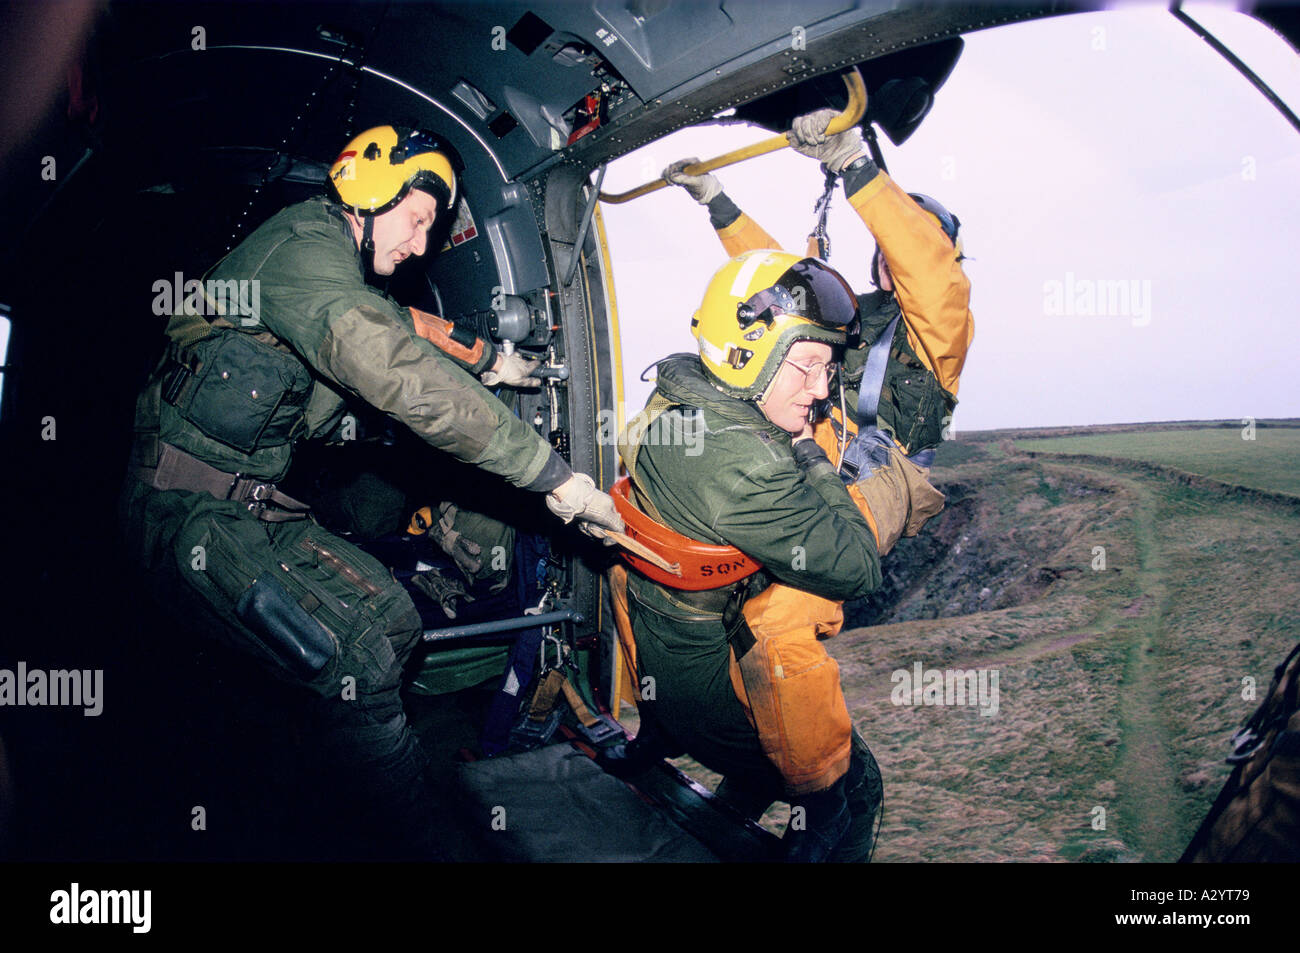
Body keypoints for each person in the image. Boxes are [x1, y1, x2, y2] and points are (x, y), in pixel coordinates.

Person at [119, 124, 623, 858]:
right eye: (418, 220)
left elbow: (406, 325)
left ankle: (320, 797)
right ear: (370, 188)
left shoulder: (329, 265)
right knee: (351, 657)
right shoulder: (303, 251)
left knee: (391, 617)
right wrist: (551, 475)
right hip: (183, 514)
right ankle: (418, 843)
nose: (422, 245)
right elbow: (386, 357)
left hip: (246, 505)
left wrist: (491, 360)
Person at [608, 249, 905, 861]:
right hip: (711, 705)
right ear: (747, 354)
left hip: (663, 682)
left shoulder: (673, 406)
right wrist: (812, 458)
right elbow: (858, 567)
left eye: (827, 369)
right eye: (807, 367)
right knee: (860, 786)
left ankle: (693, 783)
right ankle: (814, 817)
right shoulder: (749, 466)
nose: (822, 390)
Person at [663, 107, 974, 501]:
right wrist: (717, 202)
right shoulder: (858, 310)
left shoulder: (945, 323)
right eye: (883, 248)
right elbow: (779, 290)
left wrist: (853, 163)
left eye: (896, 247)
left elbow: (925, 265)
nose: (887, 254)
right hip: (814, 445)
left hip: (873, 484)